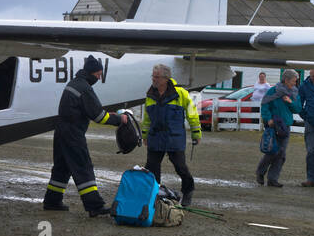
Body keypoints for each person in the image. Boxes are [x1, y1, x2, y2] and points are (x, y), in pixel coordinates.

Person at [43, 55, 132, 216]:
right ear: (92, 72)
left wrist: (106, 114)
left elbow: (90, 111)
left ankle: (52, 201)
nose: (99, 78)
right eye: (98, 75)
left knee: (62, 168)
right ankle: (95, 206)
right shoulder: (85, 88)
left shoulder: (74, 83)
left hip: (61, 132)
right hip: (73, 135)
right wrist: (119, 119)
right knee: (83, 167)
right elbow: (99, 117)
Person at [140, 63, 201, 206]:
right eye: (153, 76)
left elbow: (192, 114)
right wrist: (145, 135)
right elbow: (147, 118)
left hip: (174, 137)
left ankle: (188, 190)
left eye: (156, 77)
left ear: (166, 78)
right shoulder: (150, 95)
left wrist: (196, 133)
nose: (153, 80)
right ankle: (154, 195)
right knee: (152, 167)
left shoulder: (181, 93)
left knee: (180, 167)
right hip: (155, 137)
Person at [256, 69, 302, 187]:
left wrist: (290, 101)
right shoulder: (273, 91)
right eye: (293, 81)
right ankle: (260, 172)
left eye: (295, 81)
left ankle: (272, 179)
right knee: (272, 151)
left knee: (281, 153)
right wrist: (268, 118)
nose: (295, 84)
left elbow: (297, 109)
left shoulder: (295, 92)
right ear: (286, 80)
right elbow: (265, 105)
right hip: (273, 125)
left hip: (285, 126)